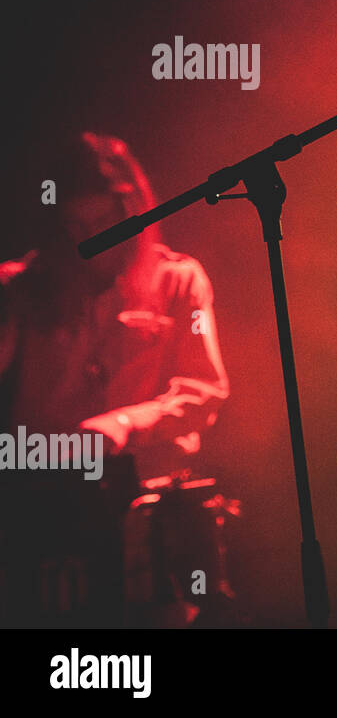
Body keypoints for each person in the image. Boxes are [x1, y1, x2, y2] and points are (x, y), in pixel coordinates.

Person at [0, 131, 231, 624]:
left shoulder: (179, 280)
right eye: (73, 225)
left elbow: (205, 388)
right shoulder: (20, 287)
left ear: (132, 213)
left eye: (103, 223)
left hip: (145, 518)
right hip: (43, 513)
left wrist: (123, 425)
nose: (88, 239)